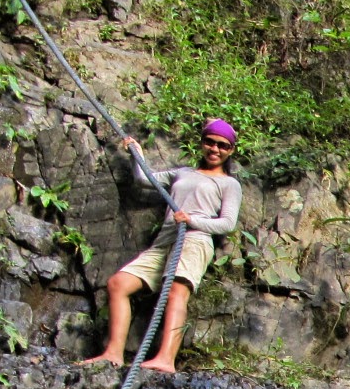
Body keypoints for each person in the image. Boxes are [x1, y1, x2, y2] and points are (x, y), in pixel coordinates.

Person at [81, 119, 242, 373]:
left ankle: (166, 359)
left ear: (230, 150)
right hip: (166, 239)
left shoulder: (229, 184)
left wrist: (192, 220)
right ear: (202, 143)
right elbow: (145, 180)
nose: (214, 149)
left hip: (195, 239)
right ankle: (113, 352)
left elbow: (227, 223)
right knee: (118, 284)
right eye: (210, 142)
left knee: (177, 292)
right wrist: (137, 154)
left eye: (222, 145)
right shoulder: (183, 173)